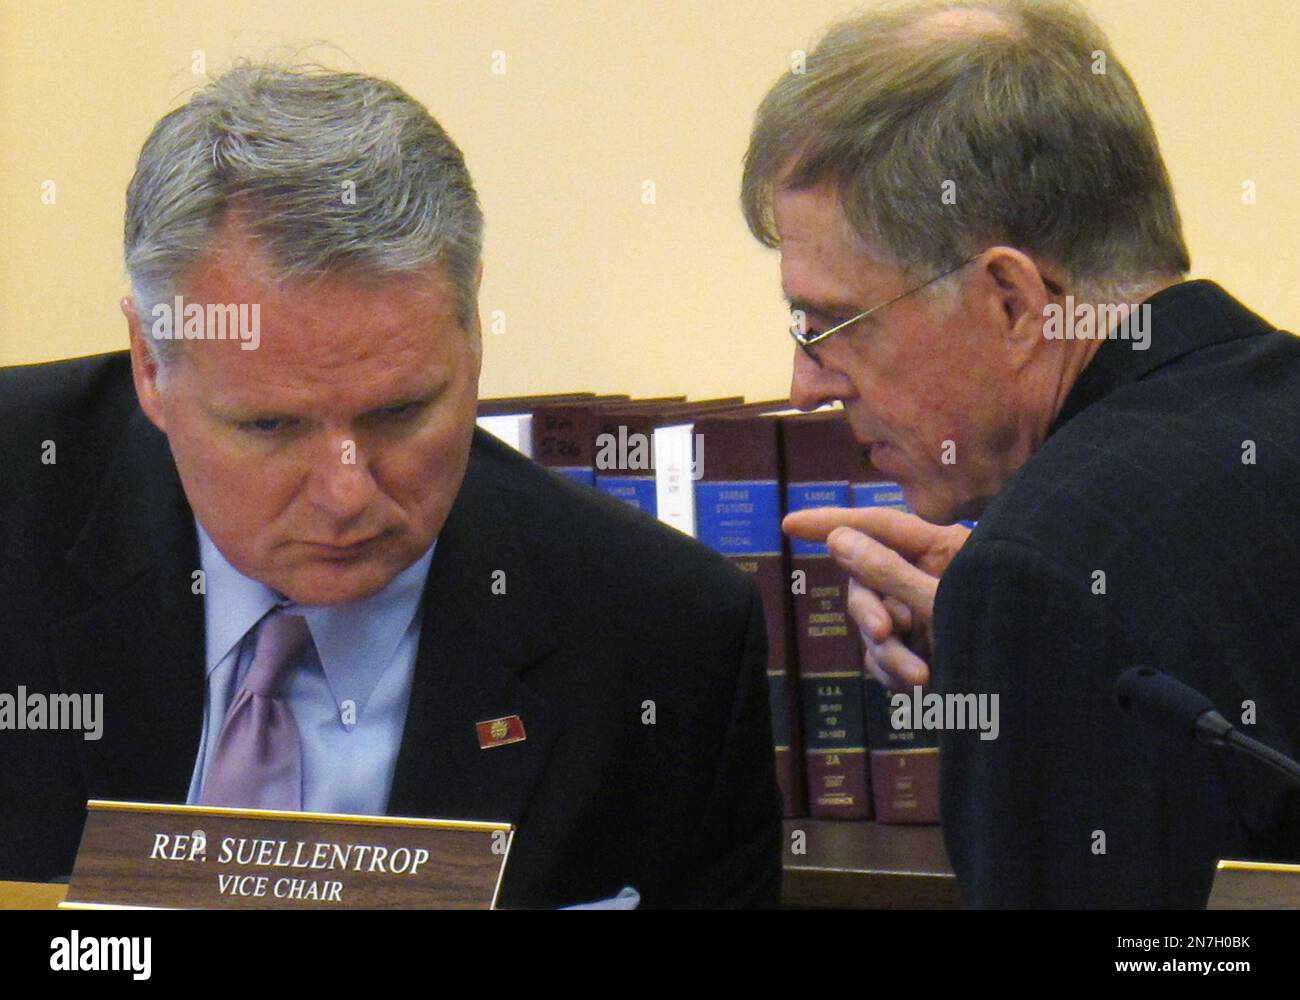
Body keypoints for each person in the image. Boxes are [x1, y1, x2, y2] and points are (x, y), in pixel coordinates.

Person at [0, 65, 782, 909]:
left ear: (474, 336)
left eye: (401, 412)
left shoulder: (663, 636)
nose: (347, 495)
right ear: (152, 364)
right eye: (271, 427)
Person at [743, 0, 1300, 907]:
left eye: (830, 325)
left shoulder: (1044, 572)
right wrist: (1011, 631)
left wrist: (1035, 610)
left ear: (1009, 300)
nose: (809, 385)